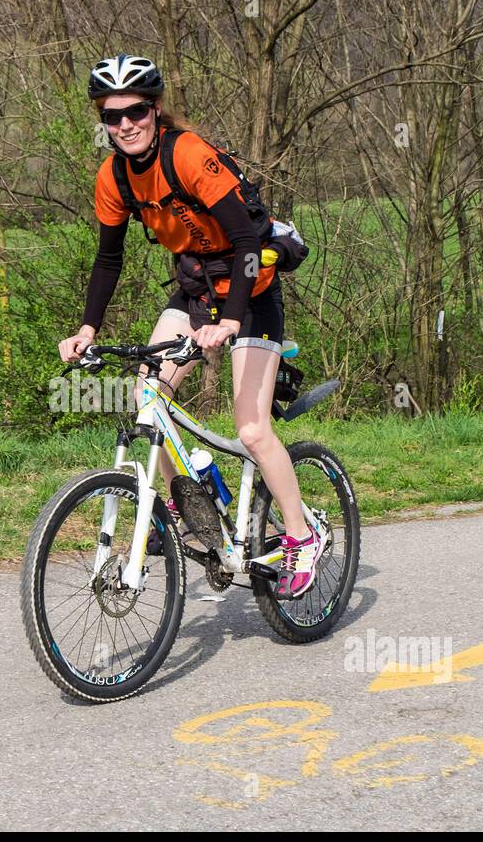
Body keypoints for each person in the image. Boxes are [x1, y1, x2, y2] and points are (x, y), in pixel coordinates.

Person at [57, 53, 320, 599]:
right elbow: (109, 260)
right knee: (147, 394)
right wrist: (86, 329)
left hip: (251, 290)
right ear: (102, 121)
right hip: (198, 287)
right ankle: (194, 490)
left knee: (251, 430)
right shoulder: (113, 177)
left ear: (154, 110)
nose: (124, 124)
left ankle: (301, 537)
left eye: (134, 111)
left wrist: (228, 321)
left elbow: (248, 241)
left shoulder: (189, 155)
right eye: (111, 115)